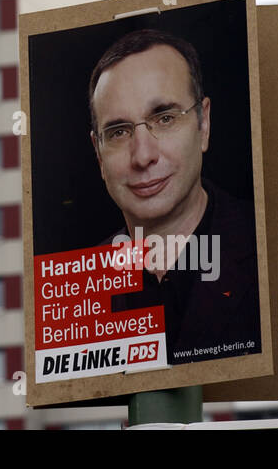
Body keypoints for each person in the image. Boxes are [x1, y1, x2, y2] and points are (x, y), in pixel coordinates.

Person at [87, 28, 260, 366]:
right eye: (119, 132)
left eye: (165, 118)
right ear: (98, 155)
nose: (143, 156)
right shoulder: (77, 291)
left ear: (204, 123)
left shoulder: (272, 248)